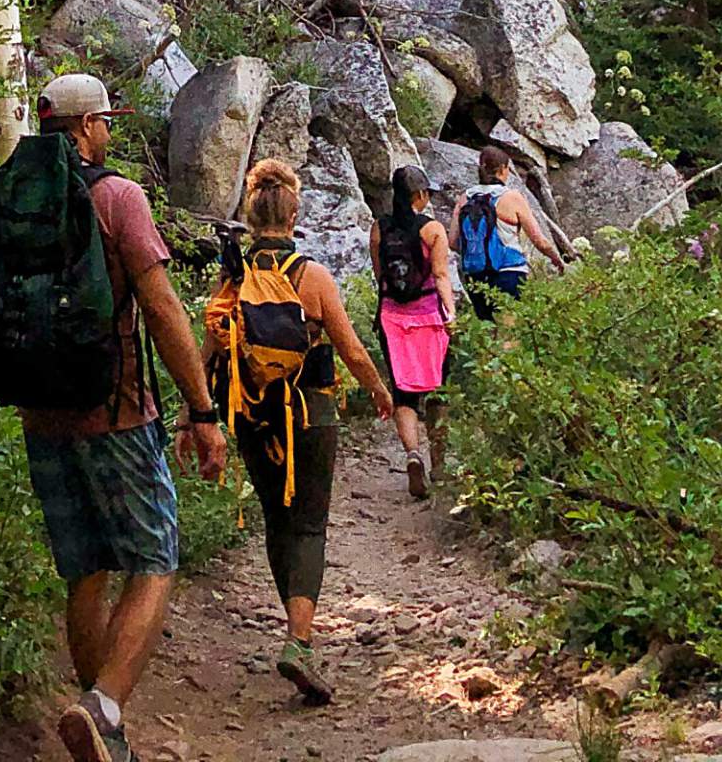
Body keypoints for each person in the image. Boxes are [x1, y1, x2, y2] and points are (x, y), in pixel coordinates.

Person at [22, 73, 228, 762]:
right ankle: (103, 708)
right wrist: (202, 409)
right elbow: (165, 311)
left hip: (41, 415)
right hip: (116, 413)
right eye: (106, 120)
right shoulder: (117, 197)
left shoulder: (16, 196)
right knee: (154, 558)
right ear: (83, 128)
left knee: (85, 568)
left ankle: (100, 727)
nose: (110, 131)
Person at [203, 157, 395, 709]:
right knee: (310, 525)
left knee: (275, 519)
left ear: (251, 212)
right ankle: (301, 641)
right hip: (311, 414)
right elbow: (352, 348)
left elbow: (211, 347)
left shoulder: (233, 278)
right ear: (294, 213)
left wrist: (202, 413)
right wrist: (380, 391)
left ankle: (293, 624)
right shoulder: (312, 277)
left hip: (252, 415)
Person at [370, 163, 456, 500]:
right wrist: (450, 314)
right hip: (429, 318)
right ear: (419, 195)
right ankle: (439, 464)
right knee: (438, 391)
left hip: (393, 318)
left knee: (403, 394)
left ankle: (412, 454)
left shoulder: (379, 228)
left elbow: (380, 275)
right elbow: (441, 276)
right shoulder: (432, 230)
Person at [450, 146, 565, 317]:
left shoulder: (465, 198)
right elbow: (539, 241)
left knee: (486, 330)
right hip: (509, 272)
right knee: (508, 334)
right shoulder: (512, 198)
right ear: (503, 169)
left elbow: (452, 241)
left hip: (475, 275)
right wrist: (557, 259)